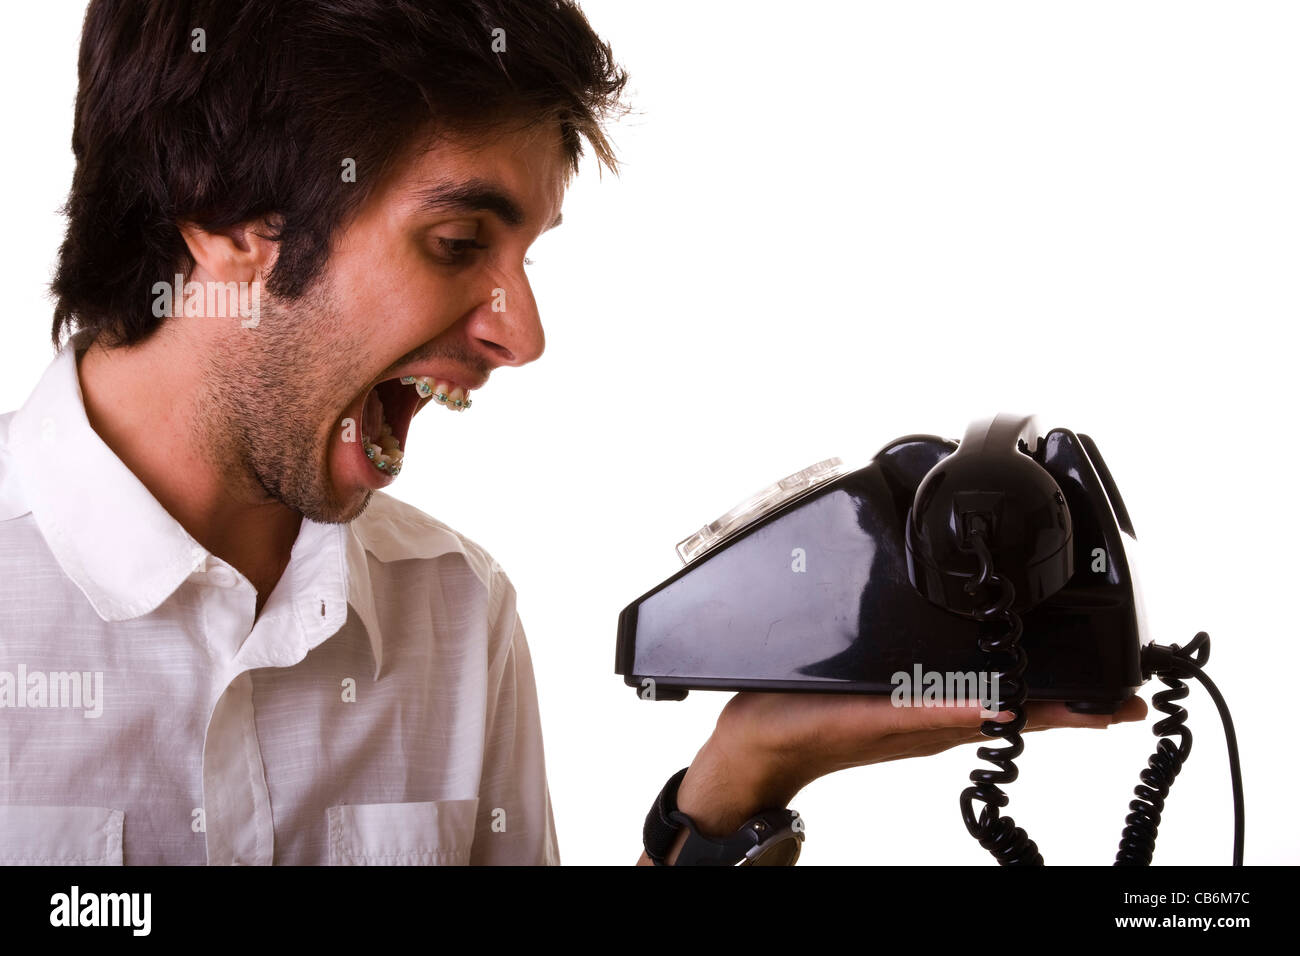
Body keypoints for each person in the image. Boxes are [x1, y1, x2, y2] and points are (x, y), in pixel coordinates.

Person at [0, 0, 1143, 866]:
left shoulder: (453, 603)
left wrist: (742, 775)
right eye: (456, 242)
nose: (524, 334)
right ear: (222, 219)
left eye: (527, 255)